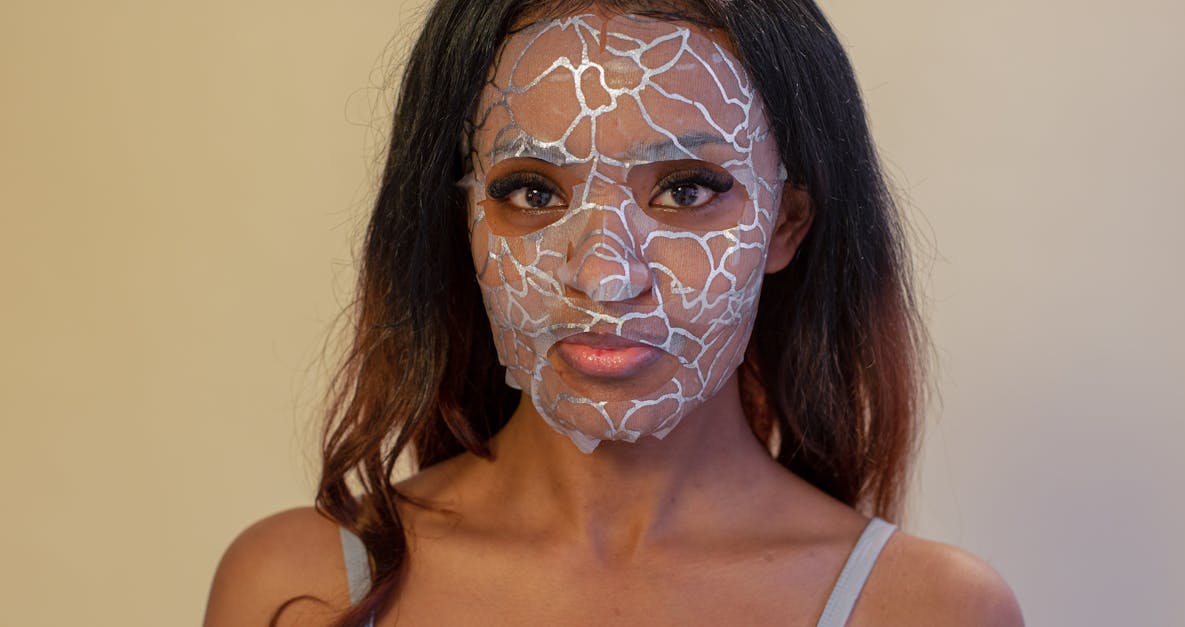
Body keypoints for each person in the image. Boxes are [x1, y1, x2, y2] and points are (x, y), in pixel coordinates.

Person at [205, 1, 1024, 625]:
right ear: (463, 217)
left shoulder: (925, 609)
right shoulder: (298, 590)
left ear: (785, 223)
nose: (602, 278)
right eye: (531, 191)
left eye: (686, 190)